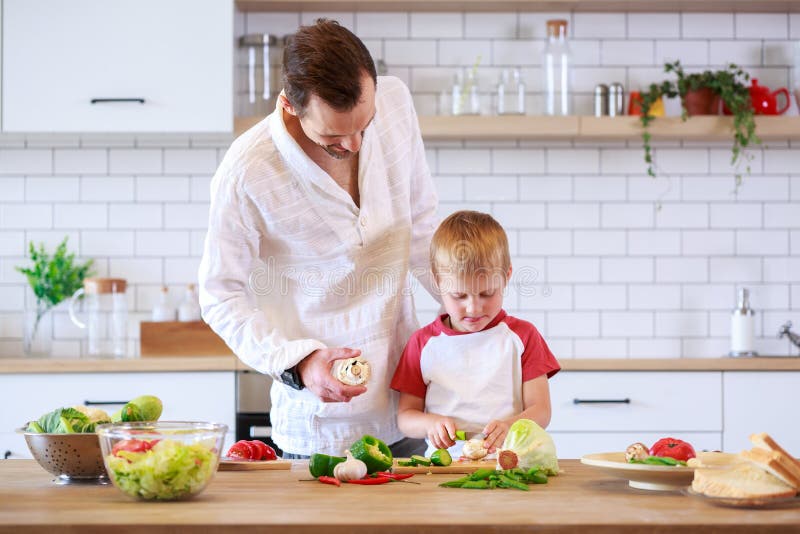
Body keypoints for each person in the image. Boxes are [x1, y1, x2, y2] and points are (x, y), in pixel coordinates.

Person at [198, 19, 438, 458]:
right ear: (290, 106)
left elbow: (422, 227)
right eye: (333, 135)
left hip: (410, 408)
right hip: (317, 432)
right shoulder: (247, 172)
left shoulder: (397, 103)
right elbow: (220, 296)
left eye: (364, 125)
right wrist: (302, 363)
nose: (353, 143)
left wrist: (482, 320)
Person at [390, 211, 560, 458]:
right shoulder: (422, 343)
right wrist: (431, 424)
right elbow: (406, 417)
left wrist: (510, 426)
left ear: (506, 276)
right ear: (438, 282)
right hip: (443, 468)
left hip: (509, 463)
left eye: (487, 294)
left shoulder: (523, 337)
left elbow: (541, 410)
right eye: (459, 296)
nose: (473, 308)